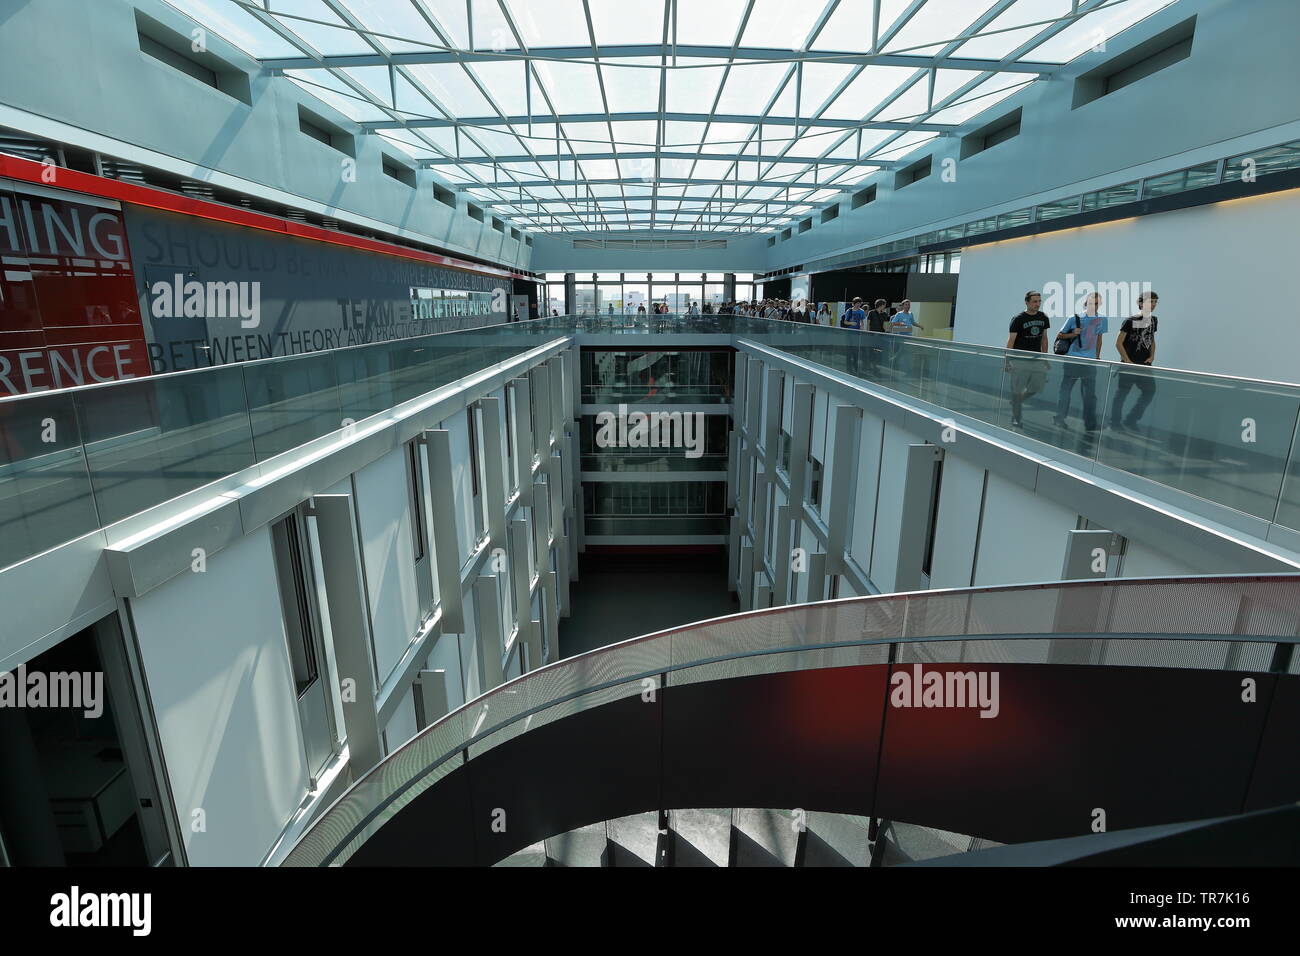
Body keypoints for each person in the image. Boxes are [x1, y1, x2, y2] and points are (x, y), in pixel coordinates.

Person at [1054, 291, 1107, 430]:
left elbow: (1099, 339)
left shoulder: (1102, 319)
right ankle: (1059, 419)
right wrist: (1073, 333)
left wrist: (1097, 356)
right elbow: (1060, 335)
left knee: (1090, 395)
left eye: (1097, 303)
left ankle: (1090, 424)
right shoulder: (1074, 318)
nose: (1094, 305)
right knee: (1065, 392)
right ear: (1086, 302)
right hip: (1073, 360)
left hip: (1089, 363)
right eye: (1091, 302)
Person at [1110, 290, 1159, 433]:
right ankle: (1115, 423)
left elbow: (1152, 339)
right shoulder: (1130, 321)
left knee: (1150, 391)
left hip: (1145, 365)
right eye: (1151, 301)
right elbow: (1118, 343)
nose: (1154, 304)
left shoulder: (1153, 320)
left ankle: (1131, 420)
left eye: (1155, 302)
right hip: (1129, 365)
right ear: (1141, 303)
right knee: (1122, 394)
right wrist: (1127, 361)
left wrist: (1152, 356)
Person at [1005, 291, 1051, 428]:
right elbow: (1011, 341)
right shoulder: (1018, 319)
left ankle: (1016, 401)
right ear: (1027, 302)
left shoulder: (1043, 317)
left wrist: (1045, 358)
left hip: (1036, 359)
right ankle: (1016, 419)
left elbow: (1044, 338)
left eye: (1039, 301)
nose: (1037, 304)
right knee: (1016, 390)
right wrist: (1007, 360)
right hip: (1019, 360)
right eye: (1034, 301)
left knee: (1036, 388)